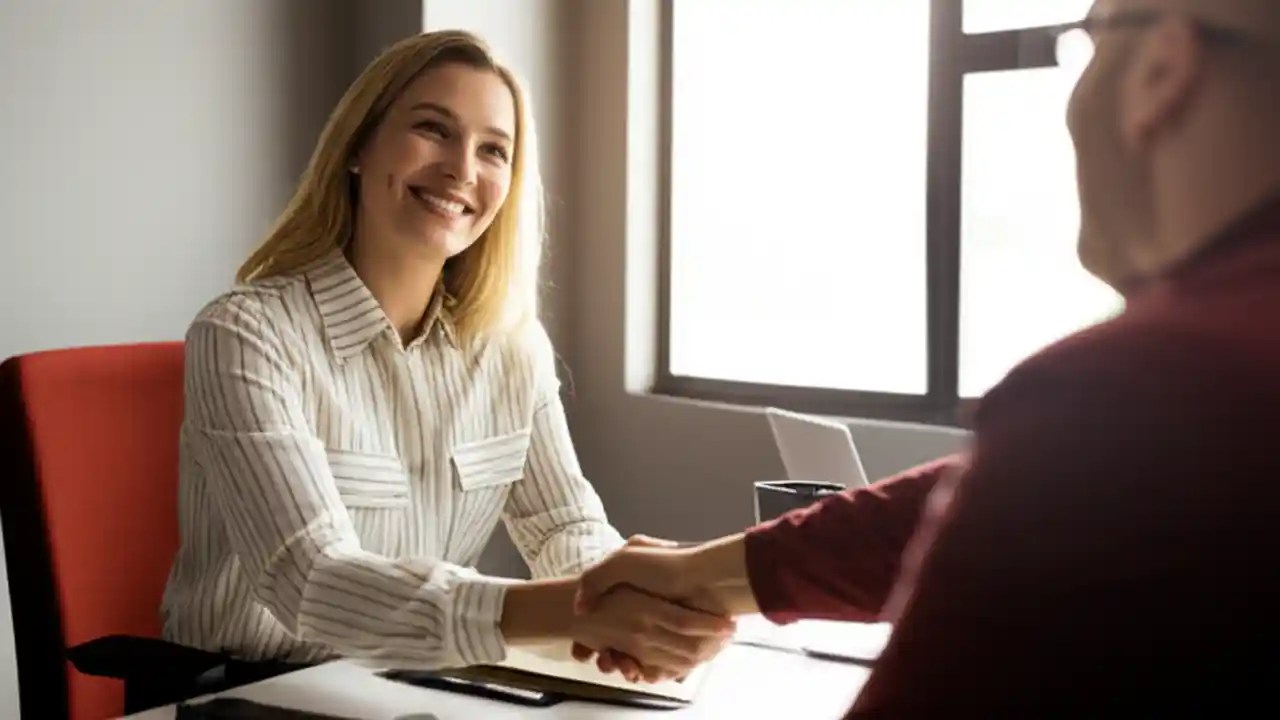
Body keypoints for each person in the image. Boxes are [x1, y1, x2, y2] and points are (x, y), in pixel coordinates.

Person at [575, 0, 1280, 714]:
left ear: (1161, 70)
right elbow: (1037, 499)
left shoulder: (1146, 382)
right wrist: (712, 575)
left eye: (1086, 45)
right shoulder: (1170, 408)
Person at [159, 29, 732, 697]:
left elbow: (564, 525)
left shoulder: (511, 348)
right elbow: (309, 577)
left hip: (402, 687)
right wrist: (572, 611)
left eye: (493, 150)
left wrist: (630, 604)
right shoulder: (246, 334)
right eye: (433, 129)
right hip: (239, 696)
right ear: (357, 147)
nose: (463, 169)